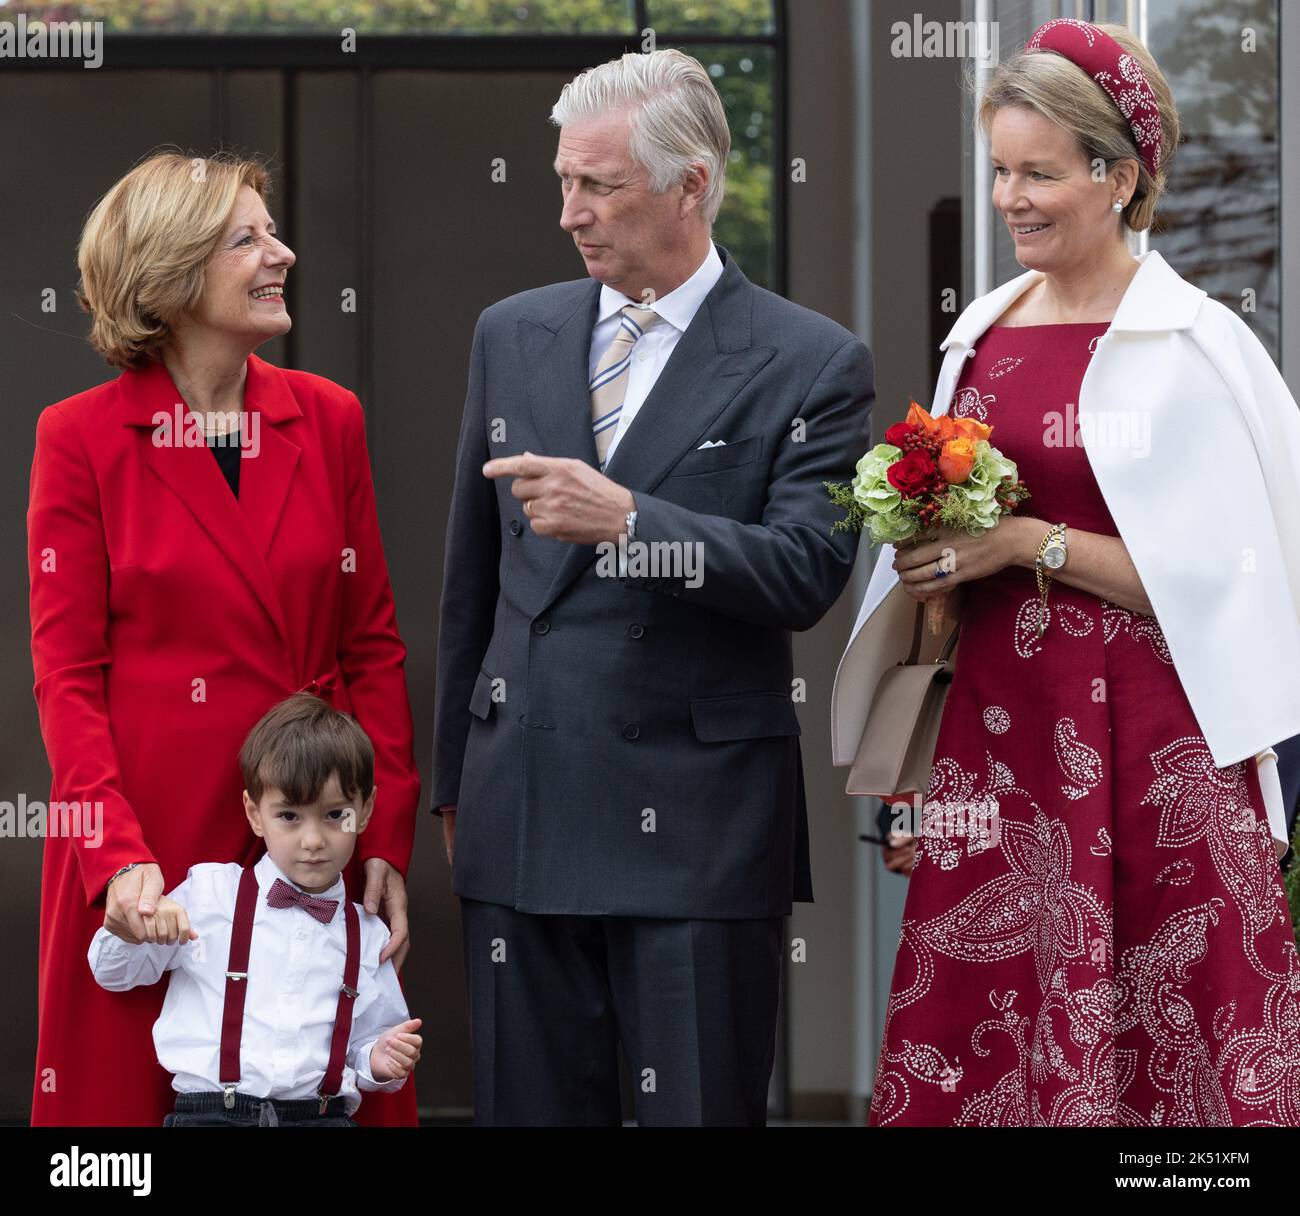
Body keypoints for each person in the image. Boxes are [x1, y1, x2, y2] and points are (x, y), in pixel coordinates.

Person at [832, 20, 1300, 1126]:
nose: (1010, 197)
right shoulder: (979, 334)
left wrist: (1026, 545)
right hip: (997, 732)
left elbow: (1230, 576)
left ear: (1118, 176)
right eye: (1000, 169)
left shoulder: (1196, 344)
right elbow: (951, 534)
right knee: (982, 1021)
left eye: (1038, 172)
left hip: (1158, 745)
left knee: (1171, 1034)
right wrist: (934, 583)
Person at [432, 48, 873, 1125]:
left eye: (600, 186)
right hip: (521, 805)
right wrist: (453, 780)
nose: (570, 213)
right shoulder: (513, 331)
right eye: (563, 181)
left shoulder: (810, 359)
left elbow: (806, 571)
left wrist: (630, 522)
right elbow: (469, 580)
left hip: (697, 825)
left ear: (692, 185)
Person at [27, 150, 421, 1126]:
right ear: (168, 275)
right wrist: (112, 855)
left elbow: (373, 644)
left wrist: (385, 830)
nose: (280, 253)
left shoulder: (327, 418)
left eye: (271, 231)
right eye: (246, 238)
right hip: (153, 845)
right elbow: (67, 679)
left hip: (311, 821)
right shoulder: (78, 437)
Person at [88, 695, 423, 1127]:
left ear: (366, 811)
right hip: (211, 1115)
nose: (313, 840)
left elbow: (367, 1044)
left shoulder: (371, 934)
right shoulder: (209, 895)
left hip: (321, 1116)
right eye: (289, 816)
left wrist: (378, 1059)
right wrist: (134, 930)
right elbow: (113, 973)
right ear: (255, 814)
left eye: (334, 814)